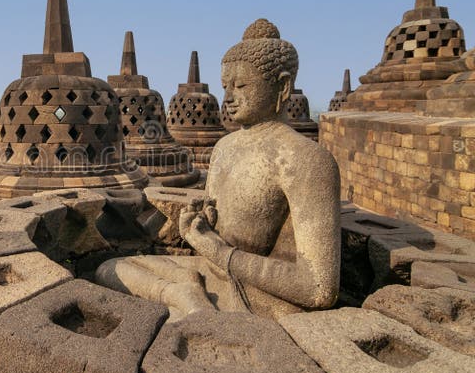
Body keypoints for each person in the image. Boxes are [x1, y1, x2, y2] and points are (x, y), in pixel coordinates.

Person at [96, 19, 341, 320]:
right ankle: (183, 297)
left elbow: (318, 287)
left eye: (242, 86)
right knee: (111, 269)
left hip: (255, 297)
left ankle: (195, 311)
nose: (229, 98)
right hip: (211, 273)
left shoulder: (306, 160)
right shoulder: (225, 147)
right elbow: (212, 225)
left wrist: (219, 252)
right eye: (226, 87)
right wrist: (199, 223)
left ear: (283, 85)